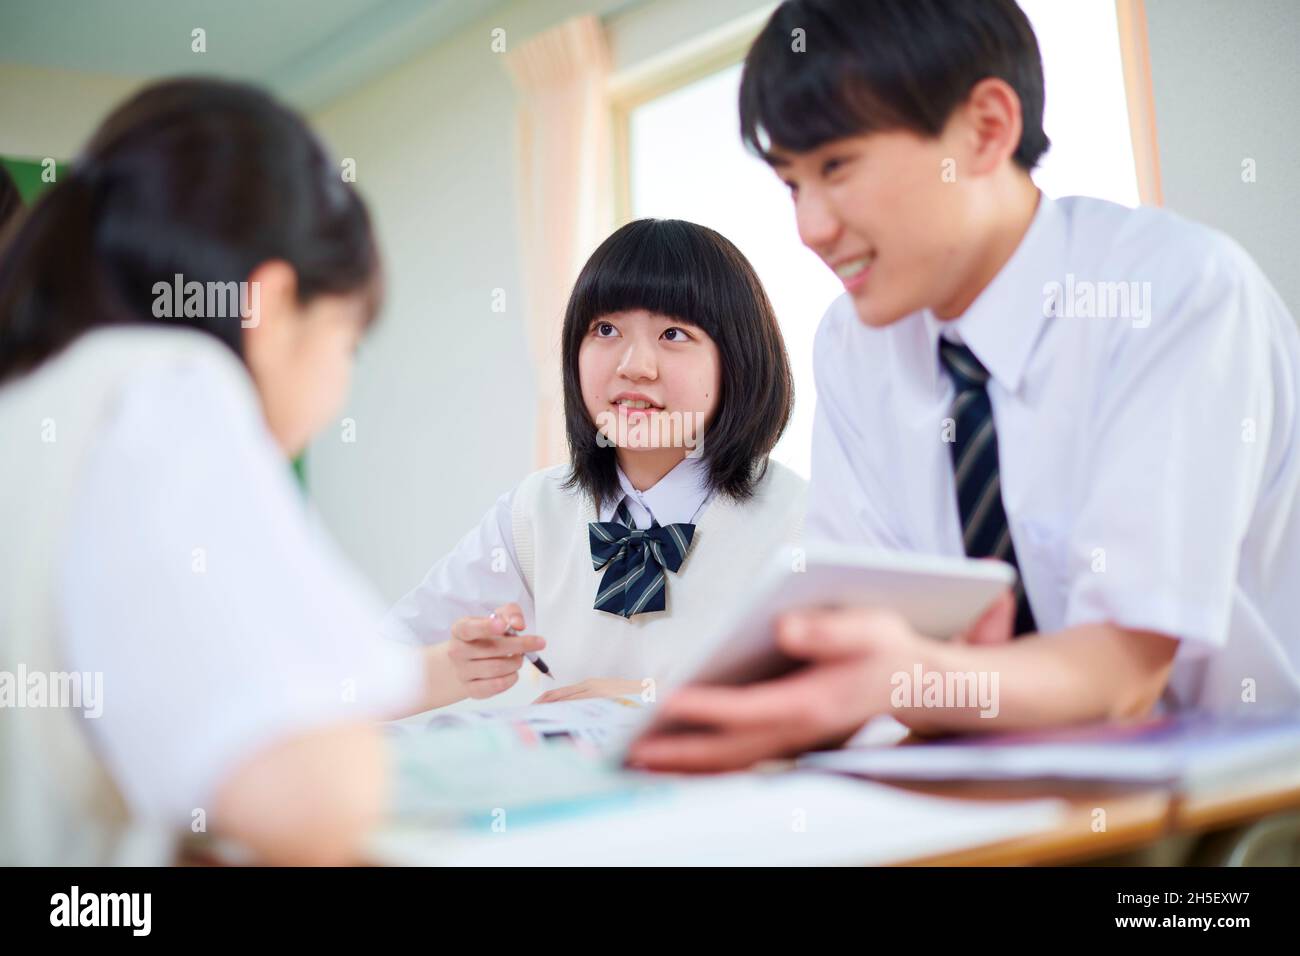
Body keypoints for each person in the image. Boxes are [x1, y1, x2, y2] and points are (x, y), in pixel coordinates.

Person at [629, 0, 1300, 772]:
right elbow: (864, 622)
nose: (810, 227)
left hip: (1239, 799)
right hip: (994, 780)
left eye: (838, 167)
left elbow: (1122, 675)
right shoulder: (853, 343)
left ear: (986, 129)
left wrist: (906, 681)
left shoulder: (1172, 291)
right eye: (791, 184)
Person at [0, 78, 450, 864]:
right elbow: (315, 794)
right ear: (271, 308)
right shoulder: (164, 386)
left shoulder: (40, 398)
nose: (340, 383)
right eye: (348, 341)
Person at [385, 219, 806, 705]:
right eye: (606, 329)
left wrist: (660, 702)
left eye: (673, 334)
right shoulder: (535, 513)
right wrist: (451, 667)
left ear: (739, 358)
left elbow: (852, 703)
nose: (634, 366)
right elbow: (366, 666)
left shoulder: (799, 521)